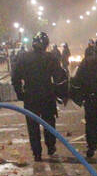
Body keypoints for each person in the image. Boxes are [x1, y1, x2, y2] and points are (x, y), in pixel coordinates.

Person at [12, 30, 69, 161]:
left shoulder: (23, 58)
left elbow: (15, 77)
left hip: (30, 96)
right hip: (47, 96)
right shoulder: (51, 58)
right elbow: (59, 77)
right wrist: (61, 94)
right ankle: (50, 146)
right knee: (49, 122)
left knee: (32, 125)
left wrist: (20, 93)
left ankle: (37, 152)